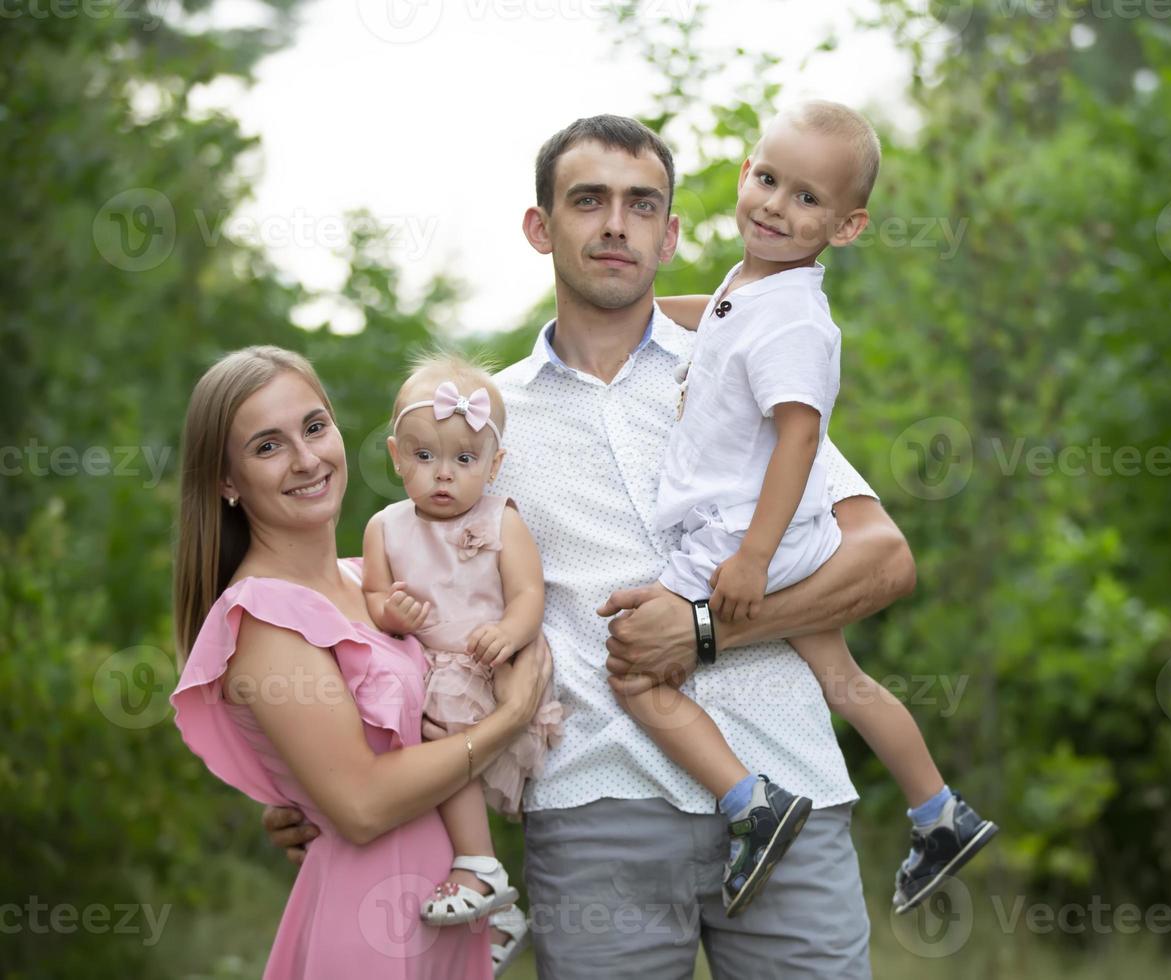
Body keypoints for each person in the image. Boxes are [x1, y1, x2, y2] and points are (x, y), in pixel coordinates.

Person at [265, 115, 914, 978]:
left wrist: (705, 631)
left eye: (642, 204)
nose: (616, 223)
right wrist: (330, 771)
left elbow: (883, 561)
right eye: (588, 201)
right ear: (542, 227)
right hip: (594, 807)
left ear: (672, 232)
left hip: (787, 777)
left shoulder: (741, 363)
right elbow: (406, 616)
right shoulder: (479, 425)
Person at [620, 101, 998, 918]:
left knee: (635, 667)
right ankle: (939, 812)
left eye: (806, 199)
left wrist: (753, 556)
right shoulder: (753, 282)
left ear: (848, 225)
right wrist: (641, 312)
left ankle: (752, 804)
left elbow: (799, 440)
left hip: (743, 532)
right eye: (766, 179)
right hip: (768, 531)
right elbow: (711, 323)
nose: (773, 205)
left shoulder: (795, 317)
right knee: (841, 676)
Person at [171, 345, 550, 978]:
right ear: (226, 481)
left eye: (315, 427)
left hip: (444, 903)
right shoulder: (264, 616)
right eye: (268, 447)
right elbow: (362, 805)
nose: (306, 459)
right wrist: (508, 720)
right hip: (373, 923)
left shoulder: (367, 583)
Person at [361, 349, 567, 967]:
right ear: (397, 458)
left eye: (464, 459)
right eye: (424, 458)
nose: (442, 475)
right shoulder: (385, 527)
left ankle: (482, 869)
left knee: (444, 739)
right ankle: (499, 913)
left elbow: (531, 592)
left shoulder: (502, 517)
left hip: (493, 665)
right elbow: (373, 595)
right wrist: (391, 613)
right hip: (429, 668)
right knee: (422, 748)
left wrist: (509, 629)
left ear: (494, 465)